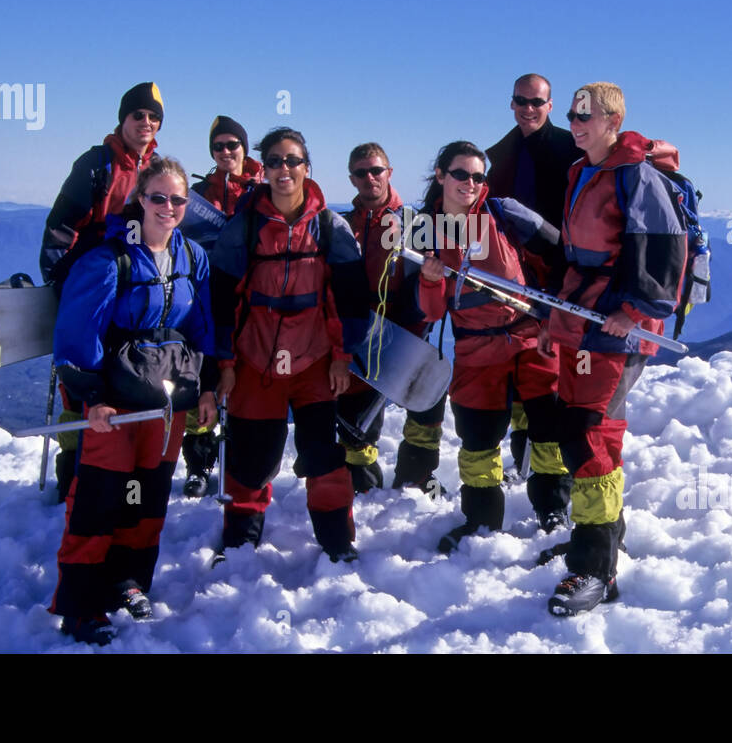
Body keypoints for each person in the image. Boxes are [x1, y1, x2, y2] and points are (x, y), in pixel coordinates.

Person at [48, 156, 217, 645]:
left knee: (146, 496)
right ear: (139, 199)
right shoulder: (110, 259)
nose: (168, 207)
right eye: (158, 197)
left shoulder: (192, 258)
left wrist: (207, 386)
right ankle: (80, 606)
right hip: (117, 403)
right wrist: (91, 398)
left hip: (168, 404)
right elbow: (79, 333)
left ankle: (127, 582)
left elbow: (202, 327)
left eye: (177, 199)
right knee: (99, 500)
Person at [538, 82, 687, 616]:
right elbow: (573, 254)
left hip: (618, 324)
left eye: (587, 113)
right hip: (581, 319)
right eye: (574, 113)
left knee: (586, 434)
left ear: (613, 120)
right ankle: (601, 541)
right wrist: (554, 317)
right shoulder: (582, 172)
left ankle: (594, 570)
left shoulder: (636, 176)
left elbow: (666, 252)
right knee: (593, 431)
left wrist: (633, 309)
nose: (576, 121)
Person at [210, 127, 370, 562]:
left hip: (314, 363)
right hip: (255, 363)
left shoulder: (327, 225)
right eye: (276, 161)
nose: (285, 169)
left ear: (307, 167)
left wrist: (343, 358)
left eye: (293, 160)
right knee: (249, 458)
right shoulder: (244, 228)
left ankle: (338, 540)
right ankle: (240, 540)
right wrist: (224, 363)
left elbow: (350, 301)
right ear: (264, 169)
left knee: (323, 456)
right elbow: (223, 302)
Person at [414, 141, 567, 551]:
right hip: (476, 350)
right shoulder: (425, 229)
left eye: (478, 176)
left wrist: (553, 316)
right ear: (441, 175)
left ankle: (554, 507)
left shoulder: (505, 213)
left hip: (530, 336)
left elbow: (560, 255)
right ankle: (482, 519)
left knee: (548, 430)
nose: (470, 183)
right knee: (478, 438)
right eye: (460, 174)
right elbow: (431, 310)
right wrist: (431, 279)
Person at [39, 81, 165, 502]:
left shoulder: (157, 168)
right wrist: (60, 283)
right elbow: (62, 224)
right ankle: (72, 480)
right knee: (80, 379)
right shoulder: (96, 164)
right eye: (138, 115)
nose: (145, 122)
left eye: (153, 116)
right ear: (123, 119)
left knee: (124, 378)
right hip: (90, 285)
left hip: (135, 290)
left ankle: (117, 476)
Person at [485, 73, 579, 485]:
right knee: (522, 369)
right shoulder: (499, 154)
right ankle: (526, 465)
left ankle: (553, 480)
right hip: (512, 274)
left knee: (549, 373)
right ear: (511, 104)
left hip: (560, 273)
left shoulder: (570, 150)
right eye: (521, 101)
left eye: (536, 102)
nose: (528, 109)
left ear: (550, 105)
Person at [337, 142, 446, 494]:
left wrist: (414, 323)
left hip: (406, 331)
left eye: (376, 170)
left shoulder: (415, 222)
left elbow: (433, 277)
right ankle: (361, 483)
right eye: (361, 172)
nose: (369, 178)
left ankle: (417, 477)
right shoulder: (341, 226)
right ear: (352, 178)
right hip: (359, 329)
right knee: (355, 417)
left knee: (424, 405)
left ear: (389, 172)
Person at [179, 115, 264, 498]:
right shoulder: (196, 194)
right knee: (202, 382)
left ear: (245, 149)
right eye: (219, 146)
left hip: (254, 305)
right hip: (205, 303)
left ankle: (242, 465)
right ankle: (199, 465)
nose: (226, 152)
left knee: (246, 387)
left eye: (233, 145)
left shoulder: (265, 192)